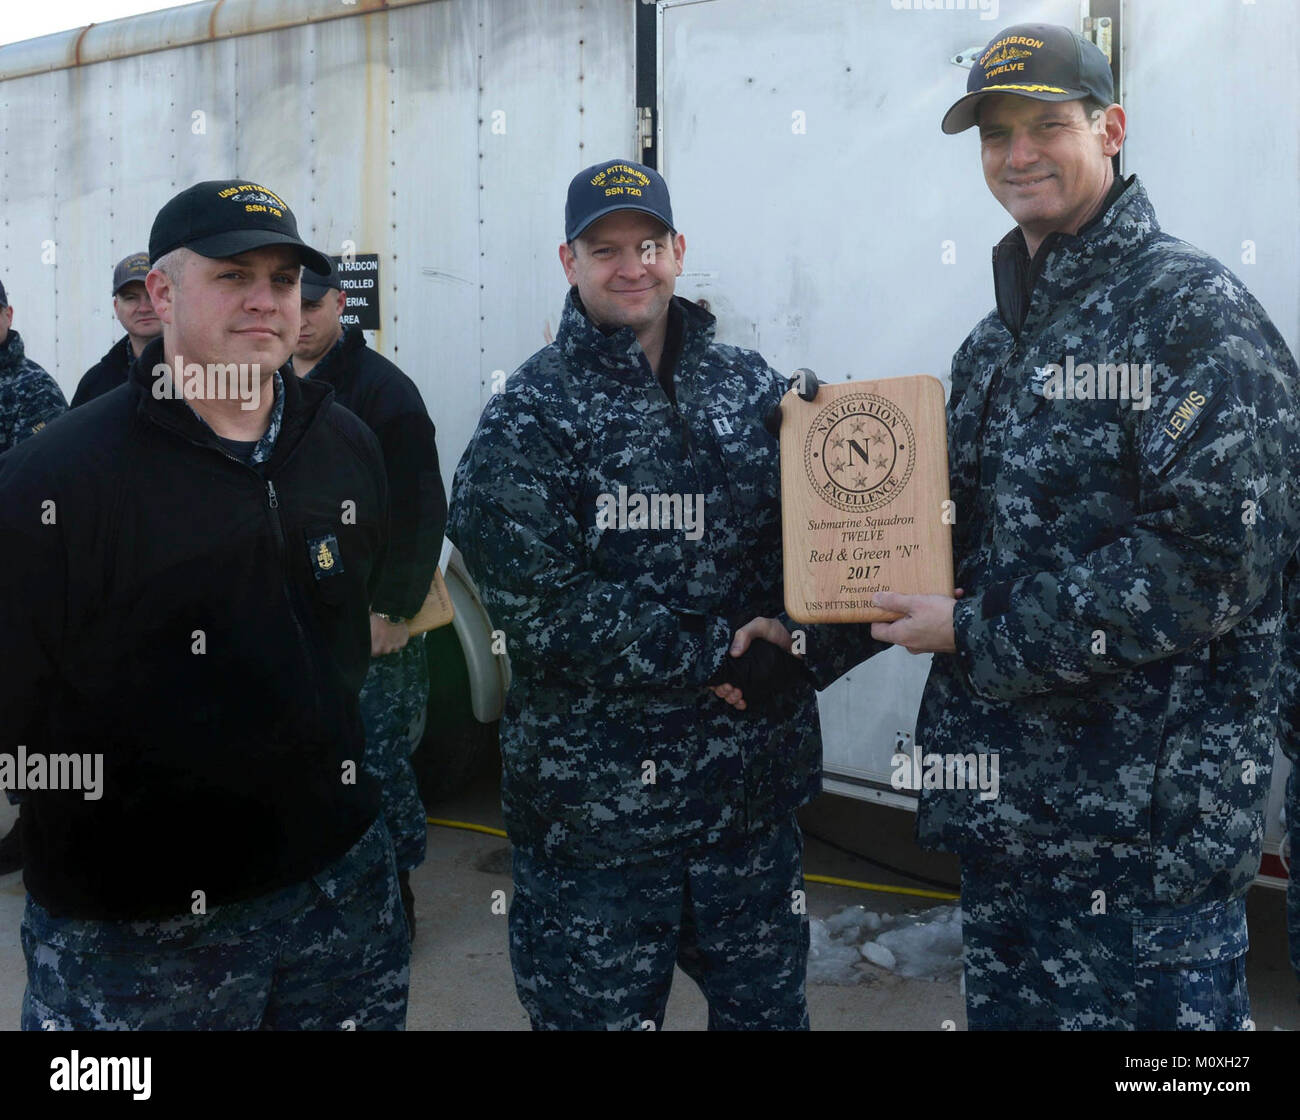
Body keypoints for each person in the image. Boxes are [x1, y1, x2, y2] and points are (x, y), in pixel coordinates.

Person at [862, 24, 1300, 1029]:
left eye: (1046, 124)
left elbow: (1207, 566)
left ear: (1110, 128)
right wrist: (800, 625)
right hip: (1014, 831)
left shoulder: (1193, 317)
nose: (1017, 153)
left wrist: (974, 629)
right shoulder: (994, 345)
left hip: (1144, 848)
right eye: (995, 132)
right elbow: (941, 542)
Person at [448, 158, 870, 1030]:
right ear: (569, 262)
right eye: (604, 249)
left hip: (748, 813)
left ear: (678, 250)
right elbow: (539, 604)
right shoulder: (529, 414)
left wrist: (802, 650)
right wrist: (717, 652)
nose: (630, 265)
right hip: (600, 826)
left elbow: (845, 547)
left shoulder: (756, 388)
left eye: (647, 243)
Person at [0, 179, 409, 1030]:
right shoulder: (61, 478)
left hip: (335, 901)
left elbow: (342, 636)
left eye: (284, 279)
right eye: (233, 275)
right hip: (132, 939)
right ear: (161, 291)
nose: (266, 300)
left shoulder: (342, 444)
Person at [292, 259, 447, 942]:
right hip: (296, 622)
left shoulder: (383, 392)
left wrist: (391, 608)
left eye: (311, 305)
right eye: (285, 303)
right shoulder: (258, 382)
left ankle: (397, 903)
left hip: (369, 627)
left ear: (339, 303)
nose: (297, 320)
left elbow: (421, 509)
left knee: (377, 763)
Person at [0, 278, 67, 877]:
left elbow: (34, 488)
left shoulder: (31, 388)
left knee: (22, 702)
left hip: (15, 575)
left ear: (7, 315)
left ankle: (36, 821)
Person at [70, 252, 162, 407]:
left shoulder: (202, 374)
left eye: (152, 296)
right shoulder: (95, 384)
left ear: (170, 300)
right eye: (131, 298)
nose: (144, 308)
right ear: (116, 308)